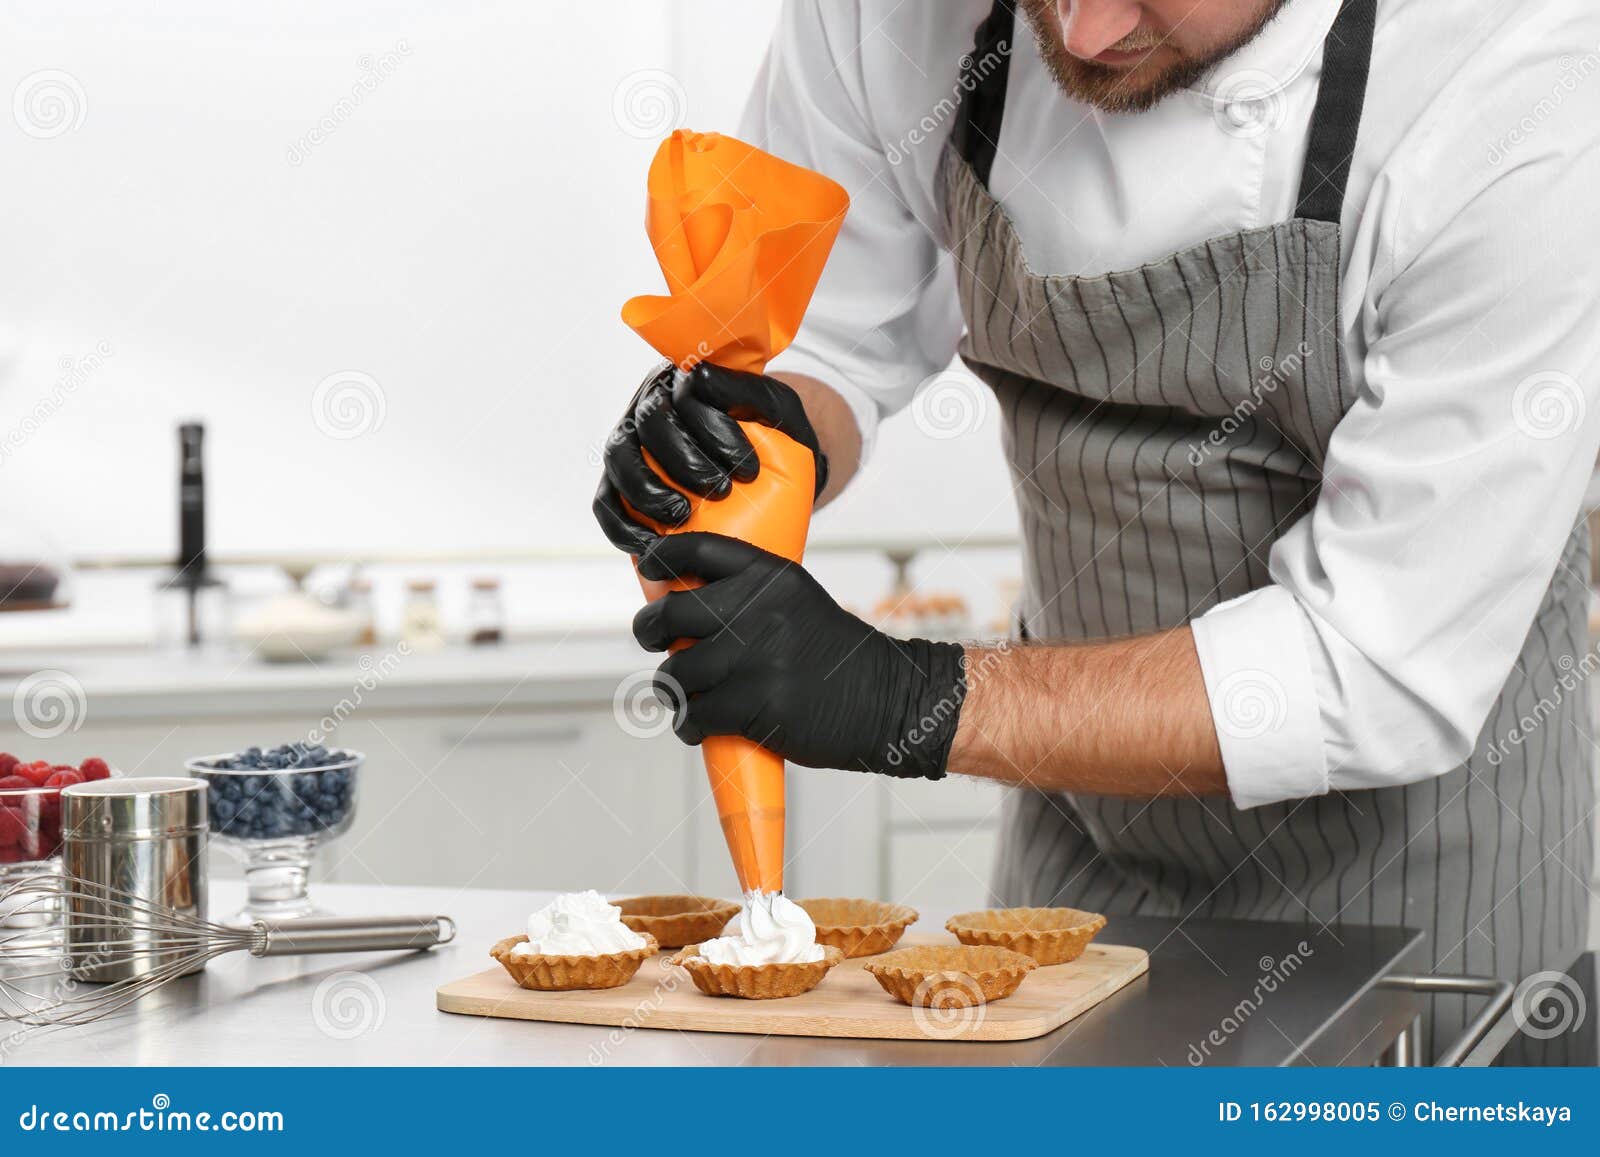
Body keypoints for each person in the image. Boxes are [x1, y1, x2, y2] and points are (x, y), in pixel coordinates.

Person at [594, 0, 1600, 1057]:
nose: (1077, 34)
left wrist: (908, 698)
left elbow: (1378, 662)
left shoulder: (1515, 90)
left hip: (1417, 885)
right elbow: (834, 336)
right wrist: (751, 438)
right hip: (1077, 866)